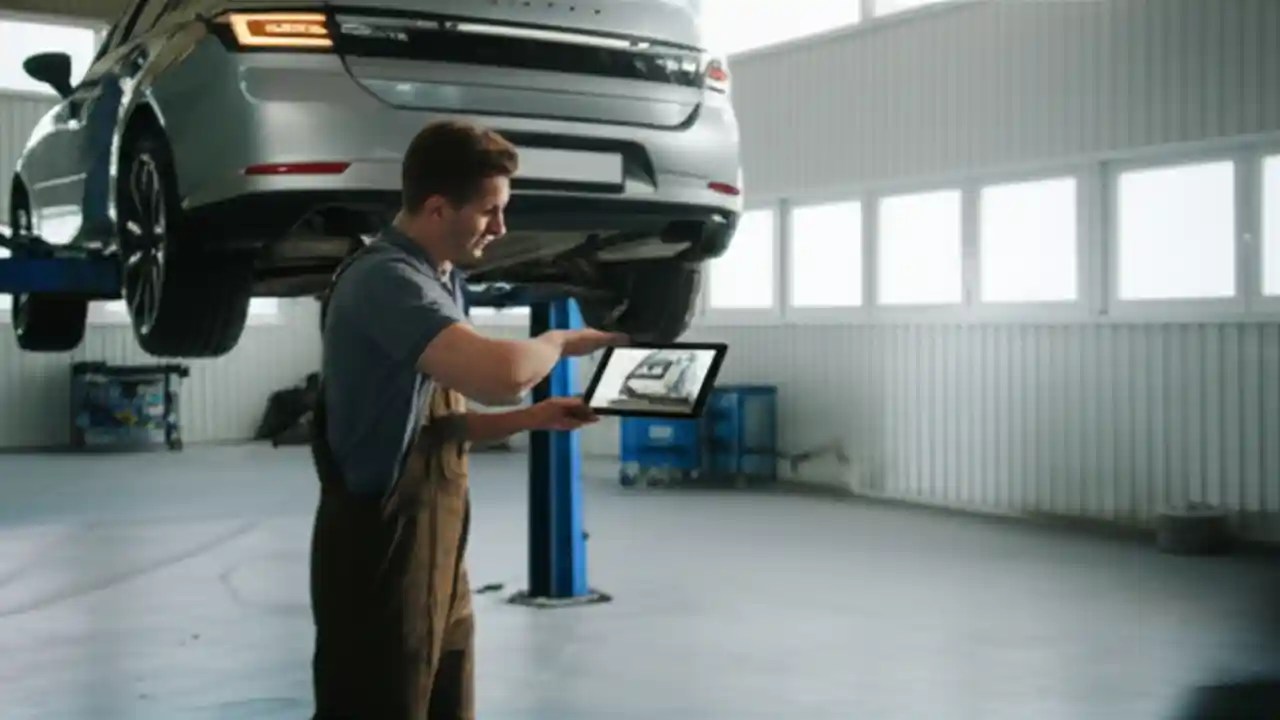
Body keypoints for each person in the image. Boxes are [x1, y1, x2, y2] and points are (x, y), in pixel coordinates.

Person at [308, 119, 626, 719]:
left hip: (441, 561)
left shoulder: (442, 279)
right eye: (489, 211)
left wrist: (534, 418)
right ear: (436, 208)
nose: (501, 229)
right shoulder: (387, 280)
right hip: (383, 559)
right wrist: (559, 340)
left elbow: (430, 431)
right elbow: (501, 376)